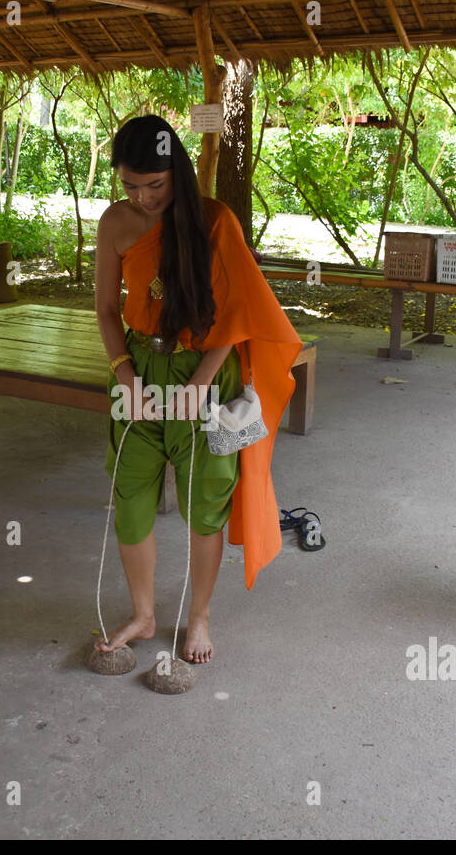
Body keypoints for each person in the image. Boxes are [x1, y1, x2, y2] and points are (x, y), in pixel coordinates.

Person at [93, 114, 302, 664]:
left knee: (206, 502)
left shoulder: (214, 221)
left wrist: (201, 383)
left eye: (155, 185)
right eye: (131, 186)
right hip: (137, 369)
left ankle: (200, 617)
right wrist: (124, 376)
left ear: (177, 174)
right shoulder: (115, 223)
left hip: (206, 372)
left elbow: (235, 314)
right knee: (130, 497)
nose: (143, 198)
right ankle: (142, 615)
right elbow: (107, 310)